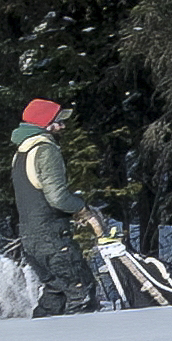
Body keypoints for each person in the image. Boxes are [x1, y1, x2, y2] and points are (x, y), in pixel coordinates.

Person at [9, 99, 106, 315]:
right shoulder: (45, 149)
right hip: (52, 237)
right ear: (44, 123)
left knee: (56, 294)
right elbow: (57, 197)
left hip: (30, 239)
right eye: (58, 121)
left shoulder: (21, 153)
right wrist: (82, 209)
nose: (62, 126)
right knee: (81, 293)